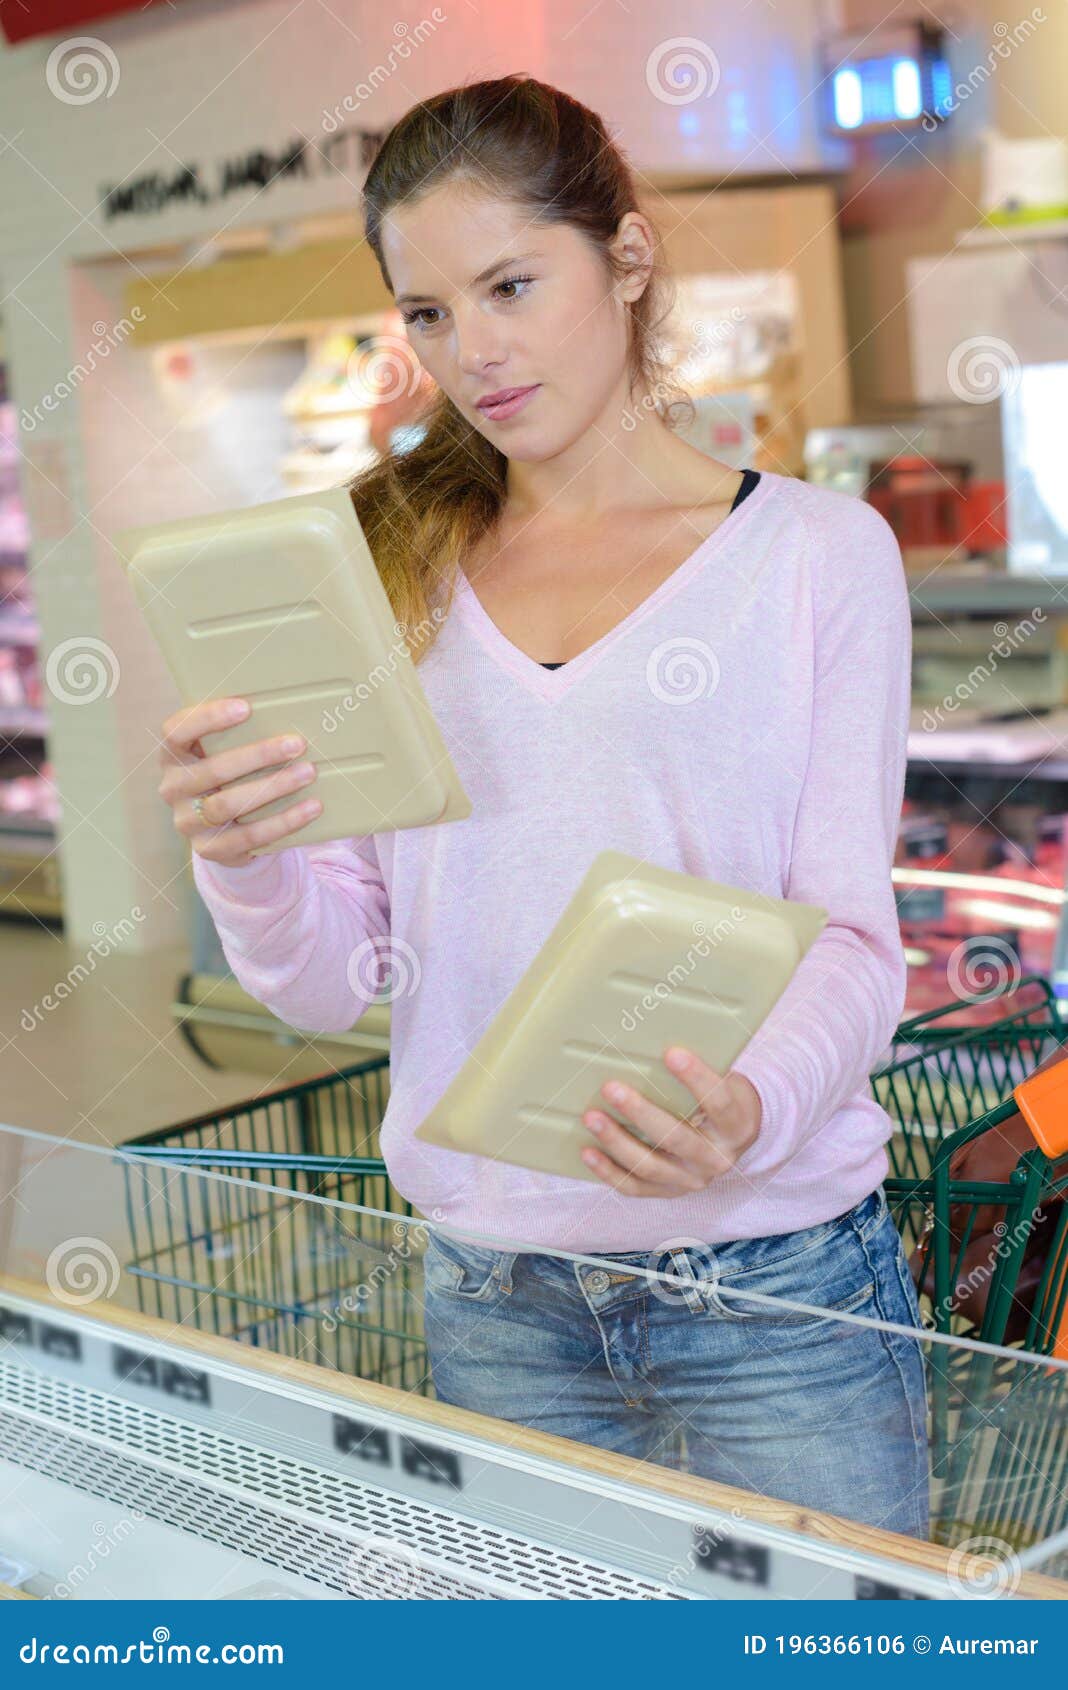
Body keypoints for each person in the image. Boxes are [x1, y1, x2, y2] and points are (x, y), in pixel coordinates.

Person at [157, 75, 929, 1539]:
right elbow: (334, 978)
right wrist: (243, 854)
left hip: (770, 1281)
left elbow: (849, 938)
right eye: (430, 312)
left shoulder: (822, 555)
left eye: (512, 284)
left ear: (625, 260)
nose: (475, 351)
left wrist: (752, 1108)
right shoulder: (389, 562)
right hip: (493, 1286)